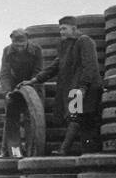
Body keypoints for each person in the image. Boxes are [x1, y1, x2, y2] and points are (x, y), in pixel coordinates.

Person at [23, 16, 103, 155]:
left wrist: (83, 87)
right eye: (60, 29)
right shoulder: (64, 45)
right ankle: (80, 153)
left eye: (64, 28)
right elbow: (55, 66)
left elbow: (90, 66)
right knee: (78, 119)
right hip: (74, 89)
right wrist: (34, 80)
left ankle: (64, 149)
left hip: (84, 88)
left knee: (76, 117)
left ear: (74, 28)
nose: (61, 32)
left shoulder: (84, 41)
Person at [0, 29, 45, 94]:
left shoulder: (36, 49)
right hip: (16, 83)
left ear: (27, 41)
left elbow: (38, 71)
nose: (19, 48)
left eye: (22, 46)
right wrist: (7, 91)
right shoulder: (7, 51)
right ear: (12, 42)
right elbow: (4, 74)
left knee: (36, 99)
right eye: (16, 46)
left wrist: (30, 85)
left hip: (33, 82)